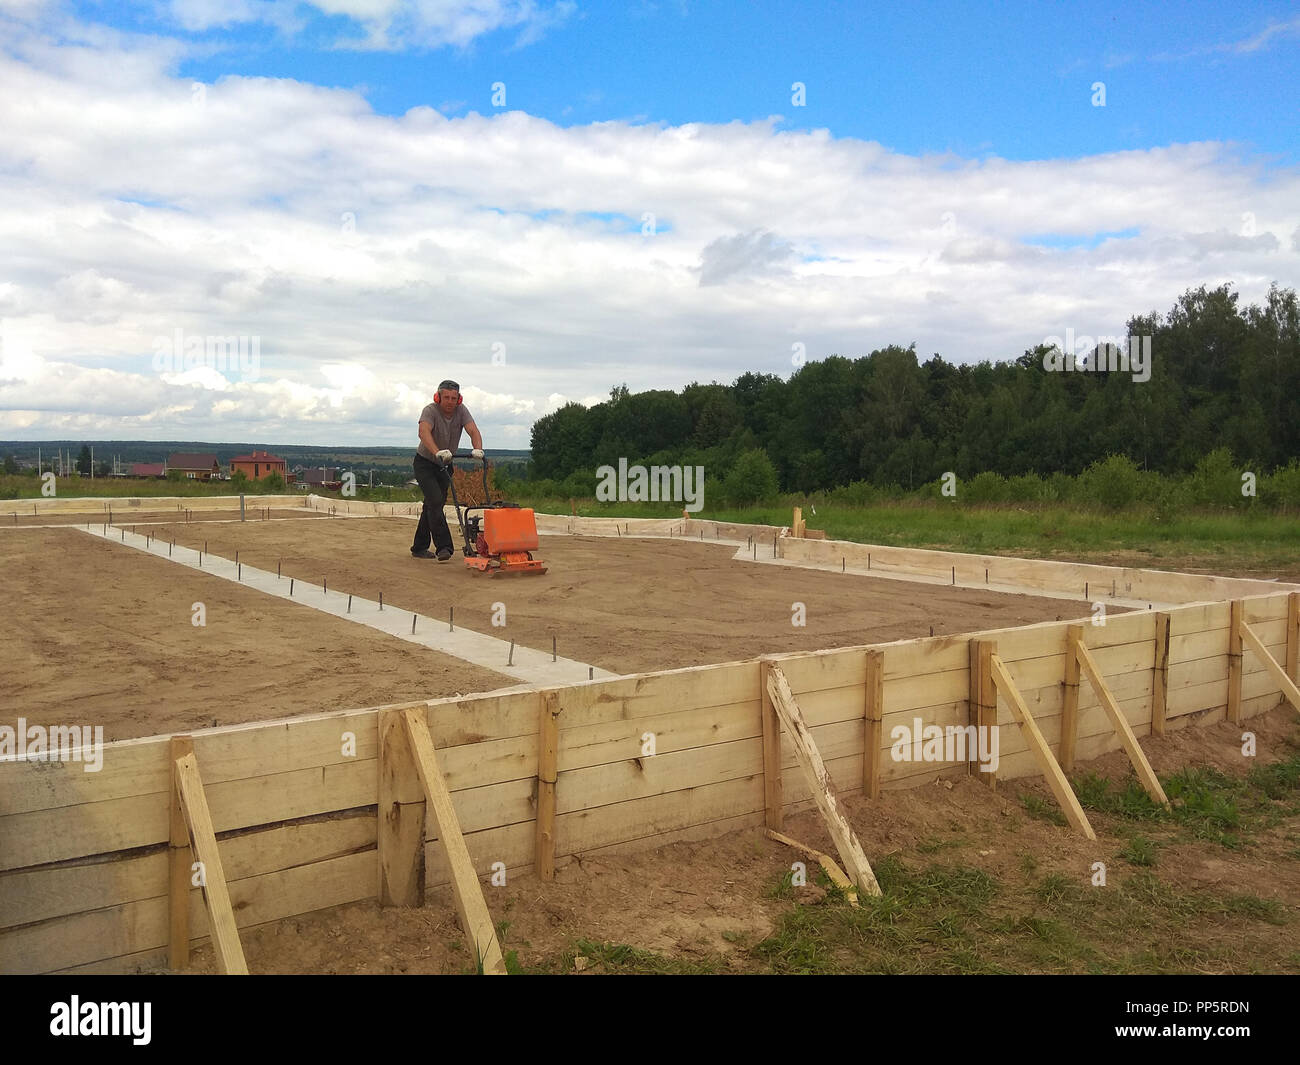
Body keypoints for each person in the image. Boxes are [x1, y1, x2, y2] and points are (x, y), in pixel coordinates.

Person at [411, 380, 484, 560]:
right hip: (425, 463)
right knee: (435, 501)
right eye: (446, 397)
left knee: (432, 505)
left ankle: (419, 547)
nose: (450, 401)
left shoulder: (462, 411)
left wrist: (477, 449)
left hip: (445, 464)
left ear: (459, 399)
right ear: (438, 397)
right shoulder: (430, 410)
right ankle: (444, 548)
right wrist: (437, 452)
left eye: (454, 398)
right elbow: (423, 432)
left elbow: (473, 430)